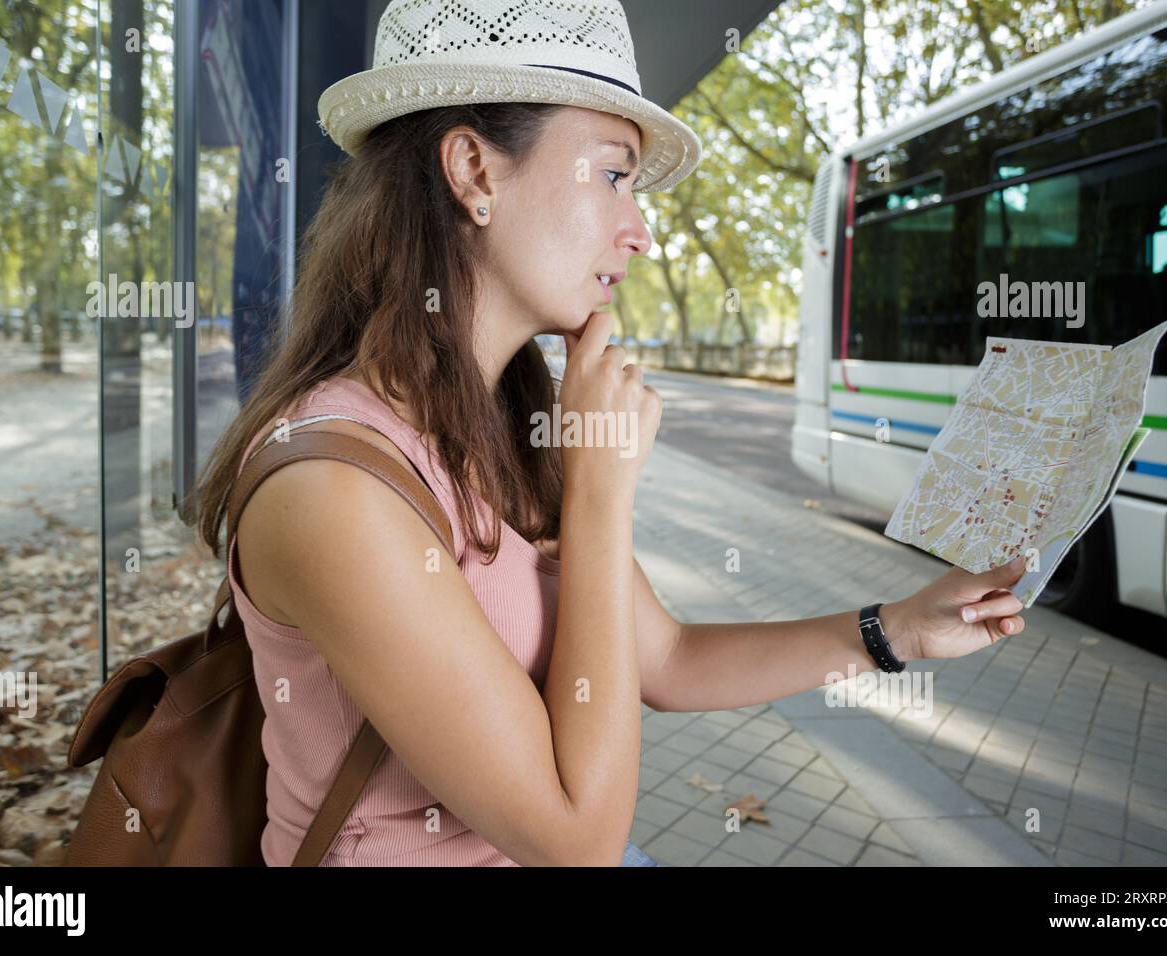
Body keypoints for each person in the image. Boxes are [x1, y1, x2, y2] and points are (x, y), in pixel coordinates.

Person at [189, 0, 1027, 867]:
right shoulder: (333, 489)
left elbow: (666, 659)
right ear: (474, 170)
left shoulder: (499, 424)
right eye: (613, 176)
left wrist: (898, 630)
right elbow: (579, 838)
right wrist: (597, 489)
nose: (641, 232)